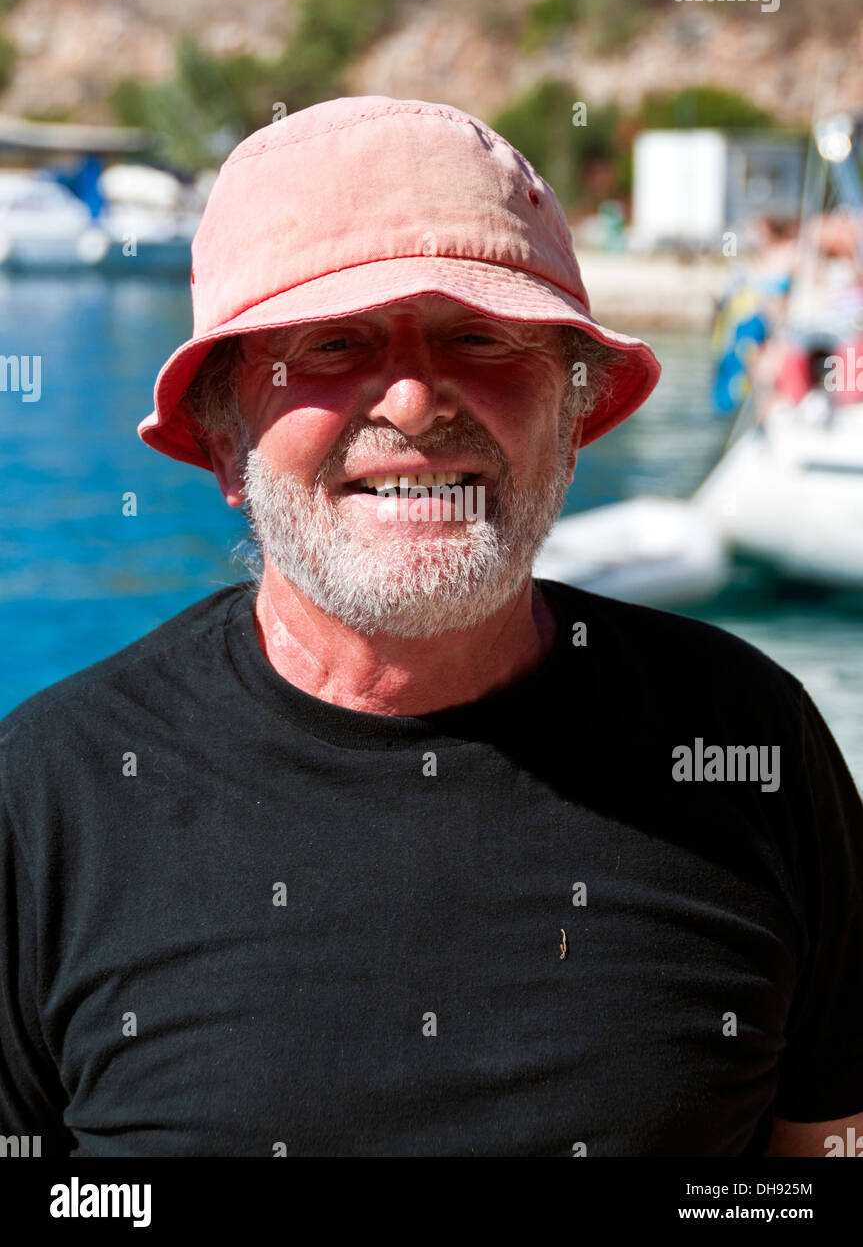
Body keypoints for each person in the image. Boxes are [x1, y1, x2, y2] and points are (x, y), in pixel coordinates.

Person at [2, 96, 862, 1158]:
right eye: (330, 343)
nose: (412, 399)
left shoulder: (746, 743)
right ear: (224, 441)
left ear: (572, 417)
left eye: (479, 336)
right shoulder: (50, 797)